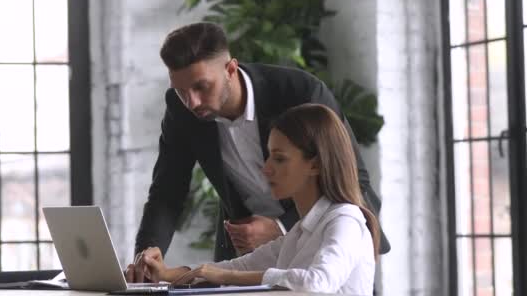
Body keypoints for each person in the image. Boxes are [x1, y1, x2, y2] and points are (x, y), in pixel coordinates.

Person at [133, 22, 389, 265]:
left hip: (324, 245)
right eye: (181, 90)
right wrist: (146, 254)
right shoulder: (181, 110)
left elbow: (353, 180)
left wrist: (282, 228)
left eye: (202, 86)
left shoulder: (301, 93)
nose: (192, 102)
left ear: (230, 69)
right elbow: (167, 191)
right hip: (246, 258)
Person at [128, 104, 380, 295]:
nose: (266, 168)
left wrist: (224, 276)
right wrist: (166, 275)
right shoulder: (299, 233)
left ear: (314, 164)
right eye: (268, 156)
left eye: (279, 159)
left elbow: (317, 283)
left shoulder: (345, 220)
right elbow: (240, 266)